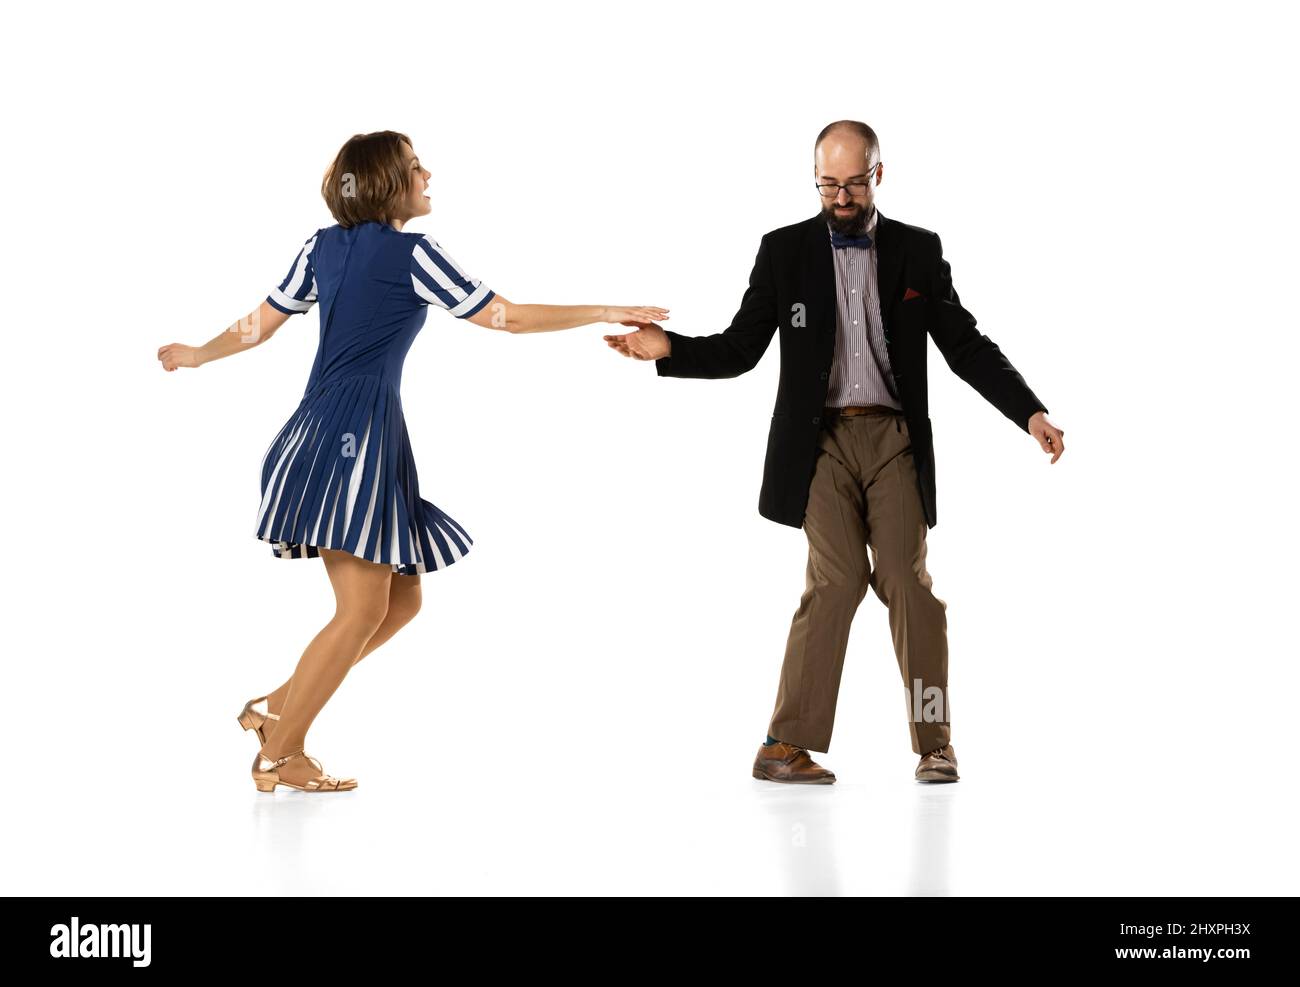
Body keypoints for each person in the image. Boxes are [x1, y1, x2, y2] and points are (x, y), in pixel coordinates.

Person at [157, 130, 668, 793]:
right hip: (351, 439)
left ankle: (273, 708)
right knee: (361, 610)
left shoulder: (323, 247)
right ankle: (280, 752)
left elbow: (260, 324)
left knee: (400, 600)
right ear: (387, 182)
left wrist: (199, 352)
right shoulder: (414, 254)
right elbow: (504, 318)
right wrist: (601, 308)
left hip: (328, 434)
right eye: (415, 166)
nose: (428, 174)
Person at [604, 120, 1063, 784]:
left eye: (852, 182)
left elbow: (964, 343)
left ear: (878, 174)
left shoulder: (917, 251)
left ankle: (935, 741)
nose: (840, 196)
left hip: (894, 442)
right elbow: (739, 349)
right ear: (815, 179)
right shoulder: (783, 252)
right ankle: (782, 744)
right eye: (828, 184)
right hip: (816, 445)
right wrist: (669, 349)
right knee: (838, 577)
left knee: (908, 582)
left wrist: (1029, 410)